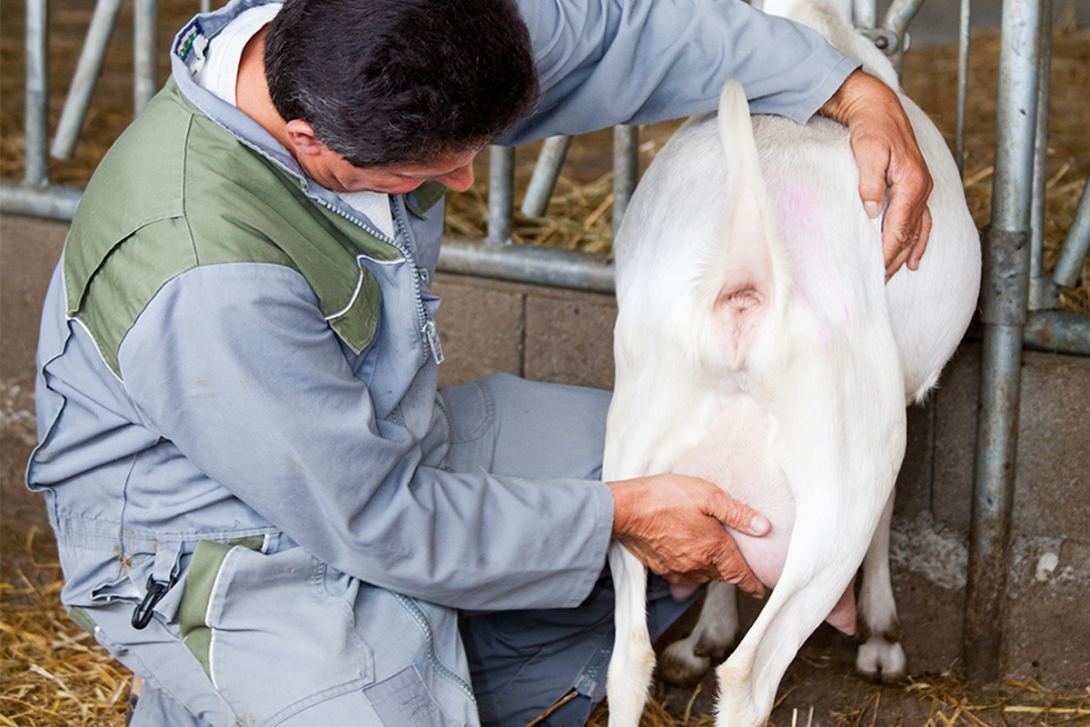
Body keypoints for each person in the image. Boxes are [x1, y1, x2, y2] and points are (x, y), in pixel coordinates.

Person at [27, 0, 932, 725]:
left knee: (699, 497)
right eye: (430, 167)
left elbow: (618, 33)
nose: (463, 181)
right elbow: (377, 516)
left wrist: (847, 87)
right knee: (613, 532)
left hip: (374, 448)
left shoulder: (415, 27)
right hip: (210, 537)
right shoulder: (208, 272)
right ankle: (239, 676)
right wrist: (612, 515)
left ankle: (375, 666)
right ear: (311, 144)